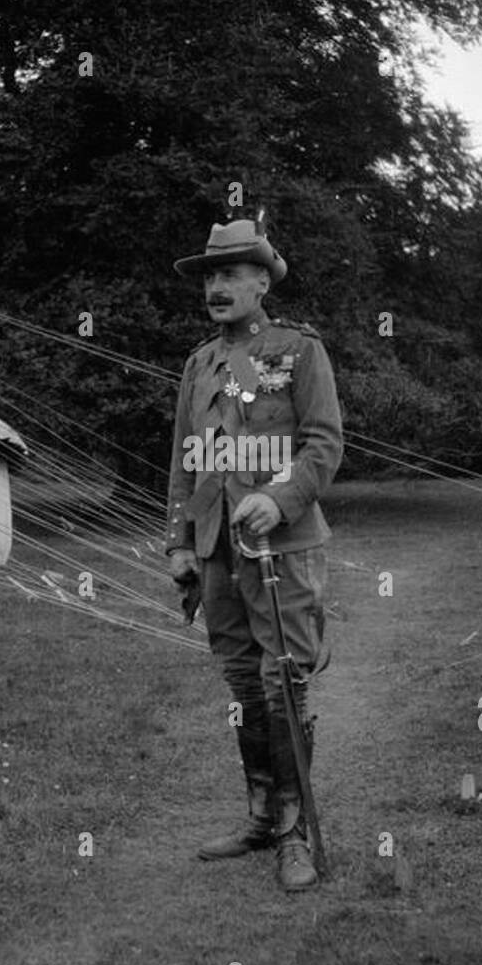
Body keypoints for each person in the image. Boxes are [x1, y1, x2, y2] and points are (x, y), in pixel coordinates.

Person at [165, 216, 343, 891]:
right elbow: (185, 459)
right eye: (210, 275)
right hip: (214, 549)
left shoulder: (298, 352)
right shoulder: (199, 363)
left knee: (283, 680)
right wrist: (179, 539)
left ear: (262, 280)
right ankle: (260, 814)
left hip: (284, 548)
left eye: (231, 274)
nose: (216, 286)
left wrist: (283, 496)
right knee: (242, 683)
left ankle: (295, 832)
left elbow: (324, 443)